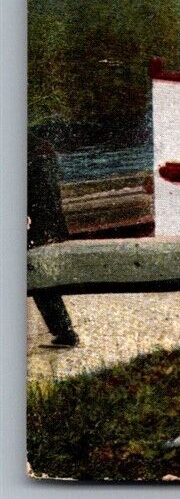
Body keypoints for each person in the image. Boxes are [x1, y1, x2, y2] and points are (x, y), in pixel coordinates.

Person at [28, 132, 77, 348]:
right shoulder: (42, 151)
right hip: (47, 224)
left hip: (36, 226)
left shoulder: (32, 154)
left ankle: (64, 332)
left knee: (39, 279)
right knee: (41, 279)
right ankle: (64, 331)